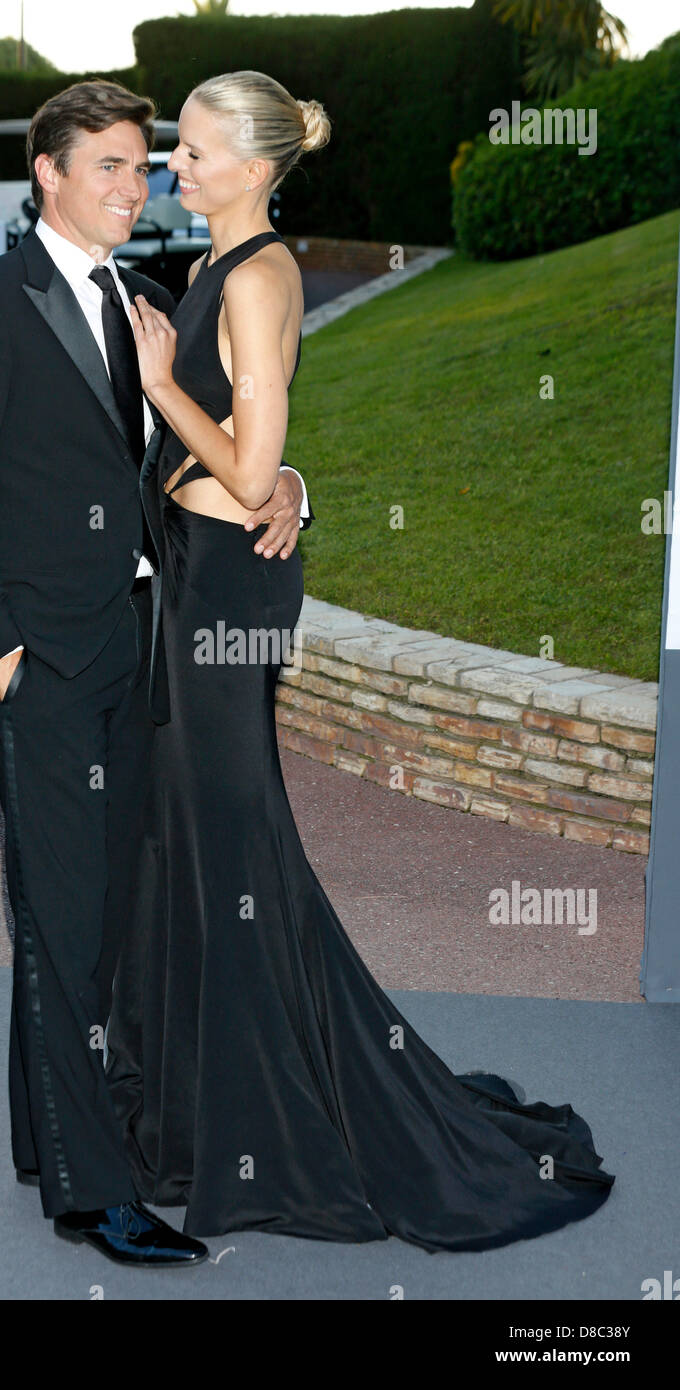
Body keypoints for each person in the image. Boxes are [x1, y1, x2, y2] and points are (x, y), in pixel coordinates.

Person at [103, 70, 616, 1251]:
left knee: (234, 844)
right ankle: (202, 1116)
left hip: (223, 590)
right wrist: (262, 468)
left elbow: (244, 467)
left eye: (190, 147)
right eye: (174, 146)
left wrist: (163, 389)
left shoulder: (264, 274)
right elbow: (252, 469)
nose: (174, 163)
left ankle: (280, 1121)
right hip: (197, 577)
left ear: (254, 163)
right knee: (195, 840)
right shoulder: (212, 270)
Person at [0, 78, 310, 1269]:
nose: (136, 187)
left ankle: (51, 1139)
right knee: (67, 919)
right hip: (44, 669)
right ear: (48, 173)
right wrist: (2, 664)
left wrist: (282, 486)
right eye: (111, 168)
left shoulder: (143, 302)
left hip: (133, 654)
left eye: (145, 166)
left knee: (96, 921)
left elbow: (202, 453)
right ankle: (98, 1194)